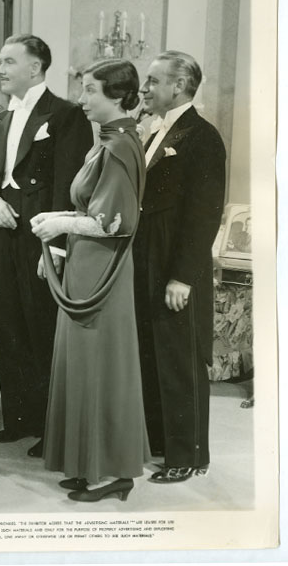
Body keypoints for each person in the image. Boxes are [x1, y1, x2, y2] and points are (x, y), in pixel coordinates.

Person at [32, 59, 149, 502]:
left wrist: (57, 227)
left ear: (116, 96)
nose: (81, 100)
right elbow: (90, 211)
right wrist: (60, 229)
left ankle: (111, 473)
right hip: (87, 261)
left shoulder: (119, 146)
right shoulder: (107, 142)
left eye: (90, 91)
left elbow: (113, 222)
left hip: (103, 266)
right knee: (83, 364)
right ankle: (88, 465)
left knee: (101, 365)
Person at [0, 34, 93, 456]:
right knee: (8, 325)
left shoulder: (64, 115)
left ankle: (50, 425)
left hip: (42, 237)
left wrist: (59, 248)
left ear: (36, 66)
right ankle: (19, 418)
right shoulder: (0, 120)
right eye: (0, 61)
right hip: (3, 235)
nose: (1, 69)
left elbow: (68, 186)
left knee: (41, 327)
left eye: (9, 62)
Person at [134, 50, 226, 483]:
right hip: (150, 254)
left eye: (153, 81)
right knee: (155, 354)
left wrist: (182, 277)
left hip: (176, 262)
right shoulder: (156, 130)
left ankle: (187, 455)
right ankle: (161, 444)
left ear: (179, 86)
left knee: (180, 359)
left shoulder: (201, 136)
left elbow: (205, 214)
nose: (145, 88)